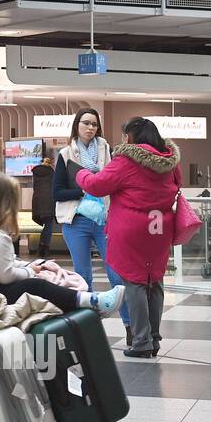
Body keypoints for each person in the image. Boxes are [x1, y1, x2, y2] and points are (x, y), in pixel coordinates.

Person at [74, 118, 182, 358]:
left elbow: (96, 185)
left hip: (132, 230)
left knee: (134, 284)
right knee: (155, 281)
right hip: (160, 228)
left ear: (131, 138)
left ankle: (141, 342)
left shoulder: (126, 161)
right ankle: (153, 338)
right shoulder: (170, 162)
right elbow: (177, 186)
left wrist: (80, 174)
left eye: (125, 135)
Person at [0, 170, 123, 315]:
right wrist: (30, 272)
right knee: (37, 286)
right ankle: (90, 301)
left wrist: (28, 266)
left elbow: (1, 264)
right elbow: (6, 275)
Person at [52, 109, 131, 338]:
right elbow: (57, 192)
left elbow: (118, 183)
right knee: (83, 276)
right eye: (86, 123)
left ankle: (130, 327)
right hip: (76, 220)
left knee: (117, 274)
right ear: (77, 125)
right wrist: (85, 188)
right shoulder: (66, 154)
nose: (90, 128)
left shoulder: (107, 151)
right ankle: (89, 330)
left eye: (94, 124)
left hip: (104, 219)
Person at [31, 155, 56, 260]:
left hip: (37, 201)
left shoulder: (35, 173)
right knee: (49, 225)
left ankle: (41, 248)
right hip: (49, 201)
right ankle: (44, 248)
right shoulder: (52, 173)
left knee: (46, 225)